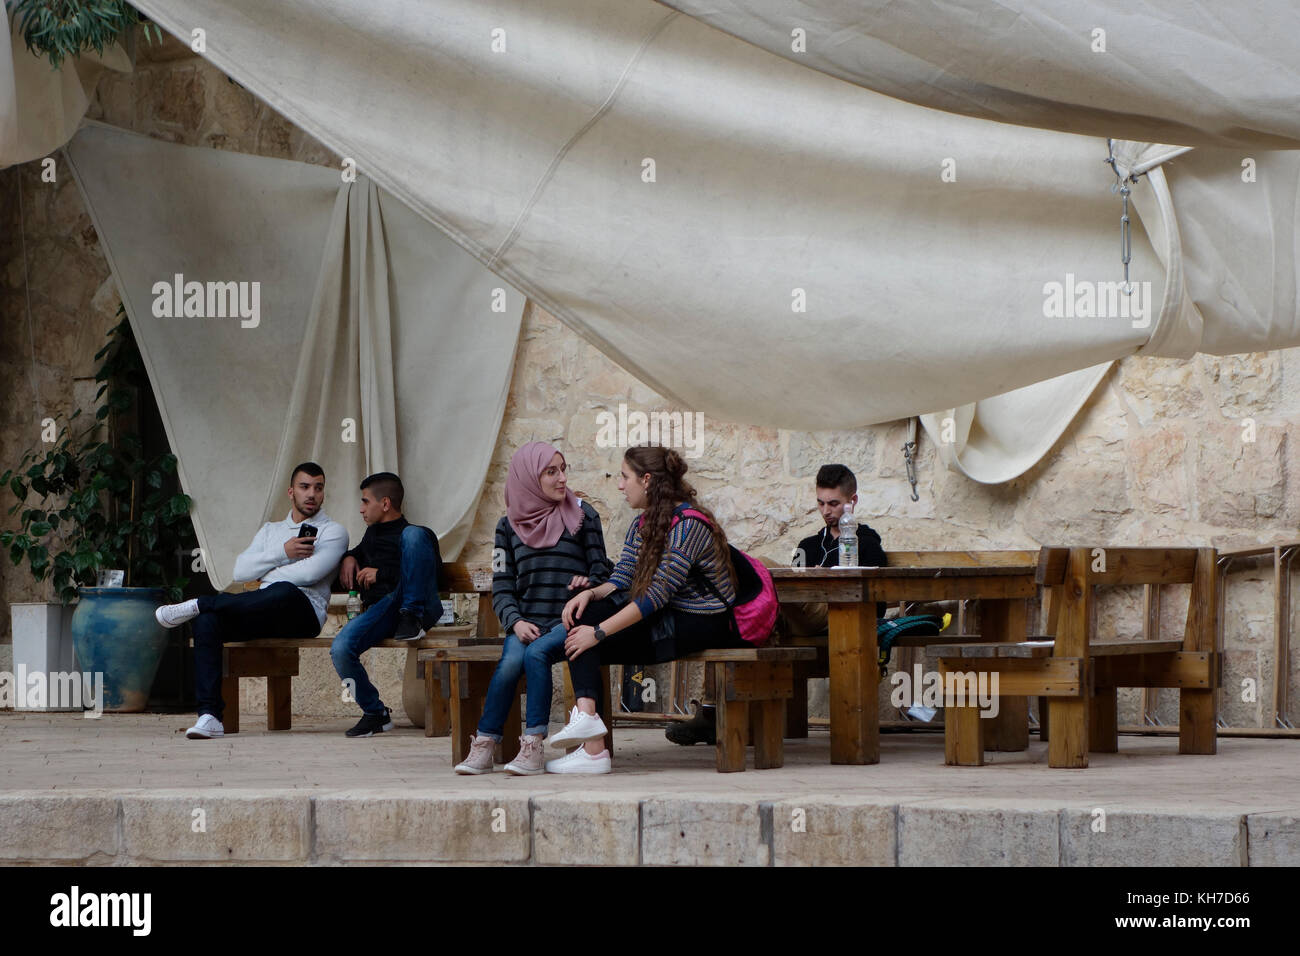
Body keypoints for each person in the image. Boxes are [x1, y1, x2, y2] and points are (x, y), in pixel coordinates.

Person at [545, 445, 747, 774]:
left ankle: (592, 748)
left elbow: (655, 595)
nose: (620, 485)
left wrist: (598, 633)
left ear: (647, 479)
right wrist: (592, 594)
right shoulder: (642, 524)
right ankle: (589, 733)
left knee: (588, 634)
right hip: (669, 615)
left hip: (704, 620)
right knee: (582, 617)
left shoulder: (688, 525)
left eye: (625, 477)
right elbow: (622, 578)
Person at [667, 462, 888, 746]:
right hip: (792, 618)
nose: (826, 511)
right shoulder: (808, 544)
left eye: (834, 503)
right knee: (732, 619)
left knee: (764, 572)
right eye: (821, 503)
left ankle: (751, 572)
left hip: (836, 618)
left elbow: (877, 602)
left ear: (852, 501)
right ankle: (713, 712)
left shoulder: (867, 542)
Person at [155, 462, 349, 740]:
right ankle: (209, 716)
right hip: (261, 608)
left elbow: (310, 574)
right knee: (207, 622)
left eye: (318, 488)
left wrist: (266, 572)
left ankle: (202, 602)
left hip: (302, 613)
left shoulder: (333, 531)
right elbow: (241, 571)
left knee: (282, 590)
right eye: (305, 487)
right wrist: (283, 552)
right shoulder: (270, 531)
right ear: (290, 492)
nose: (312, 494)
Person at [454, 442, 611, 775]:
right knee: (511, 662)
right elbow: (503, 583)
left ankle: (533, 744)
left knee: (532, 655)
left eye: (563, 470)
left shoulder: (584, 516)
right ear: (528, 477)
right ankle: (484, 744)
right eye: (550, 472)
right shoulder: (506, 527)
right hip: (527, 621)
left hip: (568, 619)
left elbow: (602, 570)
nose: (561, 479)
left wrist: (586, 583)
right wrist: (514, 621)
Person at [331, 471, 446, 738]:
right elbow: (357, 553)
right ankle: (375, 713)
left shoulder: (418, 536)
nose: (360, 509)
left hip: (418, 607)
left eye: (365, 502)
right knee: (340, 649)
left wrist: (381, 574)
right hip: (384, 611)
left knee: (413, 535)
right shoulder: (371, 536)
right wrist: (349, 556)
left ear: (385, 503)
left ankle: (411, 616)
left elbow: (433, 576)